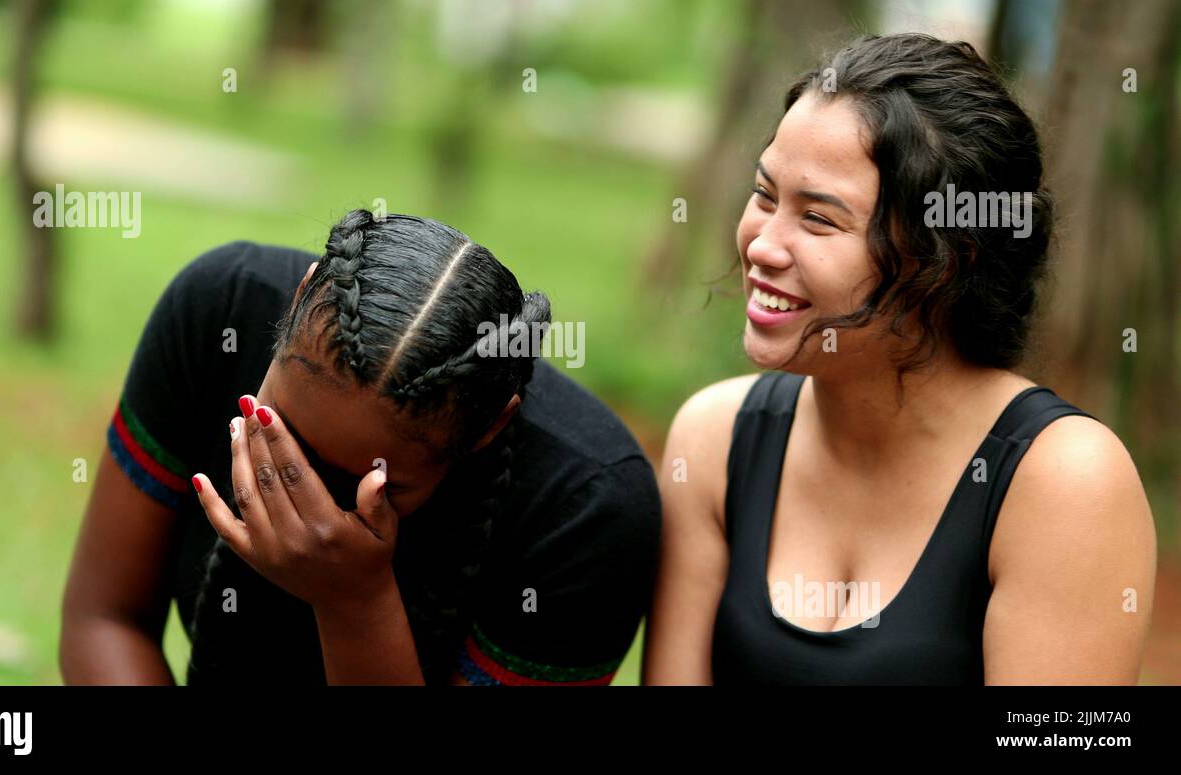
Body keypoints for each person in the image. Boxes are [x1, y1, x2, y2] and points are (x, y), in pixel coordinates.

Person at [643, 34, 1156, 685]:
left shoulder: (1062, 484)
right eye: (766, 195)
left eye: (819, 219)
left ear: (949, 259)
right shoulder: (715, 442)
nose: (763, 244)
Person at [61, 209, 660, 685]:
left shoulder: (589, 506)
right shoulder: (219, 309)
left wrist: (355, 601)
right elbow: (102, 620)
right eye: (281, 435)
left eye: (372, 488)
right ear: (298, 299)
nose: (307, 501)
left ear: (488, 432)